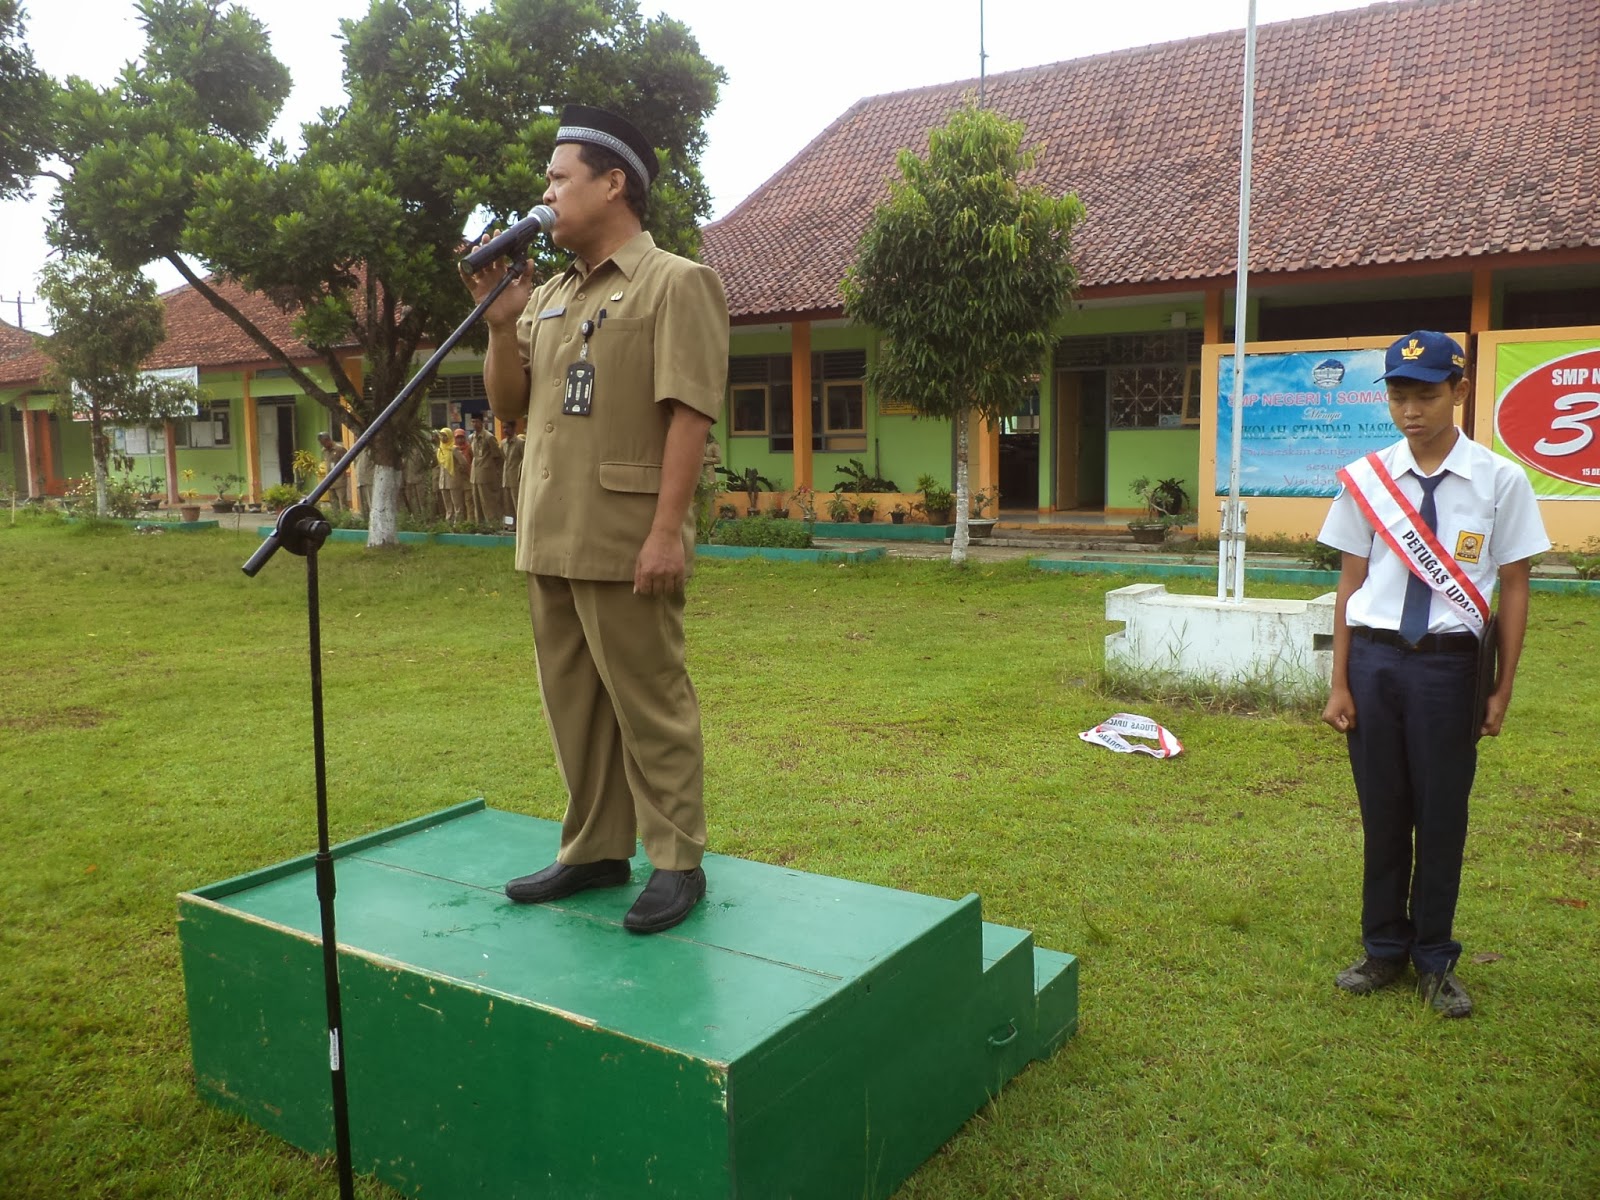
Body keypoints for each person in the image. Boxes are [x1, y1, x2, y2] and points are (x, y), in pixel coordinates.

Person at [461, 102, 729, 934]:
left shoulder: (675, 282)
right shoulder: (544, 295)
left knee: (649, 700)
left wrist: (665, 533)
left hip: (625, 533)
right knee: (572, 704)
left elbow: (689, 414)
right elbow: (509, 406)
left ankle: (677, 860)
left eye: (558, 178)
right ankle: (595, 849)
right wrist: (500, 327)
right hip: (549, 528)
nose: (544, 194)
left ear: (614, 184)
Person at [1318, 330, 1550, 1018]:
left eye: (1425, 395)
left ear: (1460, 391)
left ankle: (1435, 958)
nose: (1410, 411)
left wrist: (1502, 686)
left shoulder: (1500, 481)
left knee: (1443, 815)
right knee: (1383, 811)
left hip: (1450, 668)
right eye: (1398, 396)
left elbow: (1515, 585)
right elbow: (1350, 581)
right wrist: (1340, 680)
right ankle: (1384, 948)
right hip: (1375, 660)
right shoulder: (1367, 480)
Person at [468, 410, 505, 526]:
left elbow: (498, 456)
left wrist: (496, 473)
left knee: (488, 502)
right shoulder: (472, 437)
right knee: (477, 503)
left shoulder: (489, 437)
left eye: (476, 421)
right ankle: (480, 526)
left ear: (482, 422)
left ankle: (492, 525)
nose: (474, 424)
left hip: (487, 475)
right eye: (473, 422)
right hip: (475, 475)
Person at [501, 418, 524, 528]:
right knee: (507, 505)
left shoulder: (520, 443)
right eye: (503, 428)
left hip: (516, 479)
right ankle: (510, 526)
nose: (505, 430)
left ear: (514, 428)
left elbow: (525, 459)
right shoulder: (503, 443)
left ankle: (520, 526)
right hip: (506, 478)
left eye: (507, 427)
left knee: (517, 504)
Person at [316, 431, 347, 509]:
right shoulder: (324, 451)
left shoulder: (340, 449)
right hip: (329, 482)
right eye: (321, 443)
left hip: (340, 482)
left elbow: (347, 462)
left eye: (324, 443)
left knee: (343, 504)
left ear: (328, 440)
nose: (323, 445)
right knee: (334, 505)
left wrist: (340, 472)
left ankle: (345, 517)